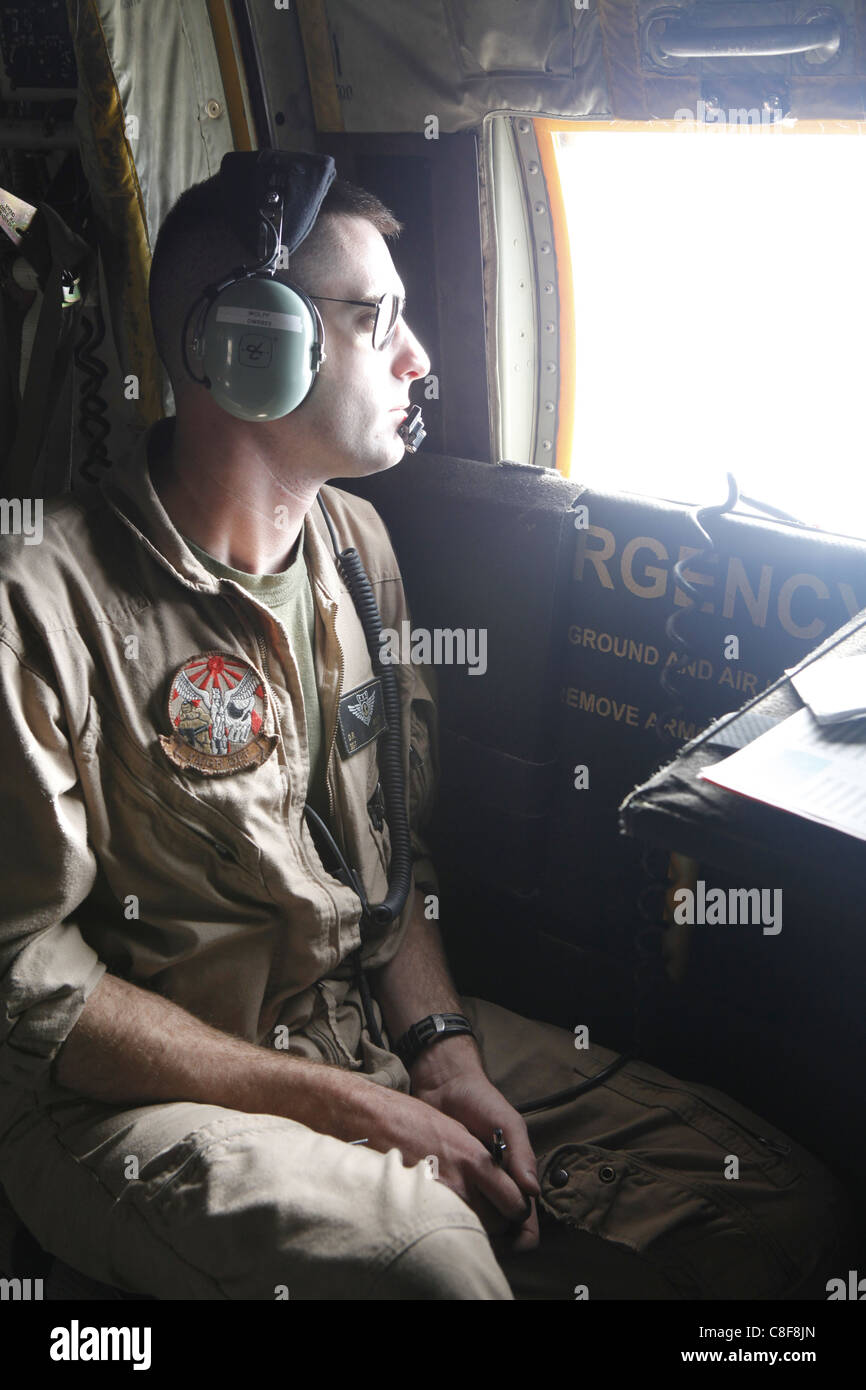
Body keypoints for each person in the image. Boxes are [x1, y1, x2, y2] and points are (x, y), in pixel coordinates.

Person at [0, 164, 852, 1301]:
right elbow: (27, 981)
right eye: (374, 320)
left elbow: (394, 867)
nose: (415, 360)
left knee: (778, 1206)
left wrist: (441, 1055)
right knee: (433, 1273)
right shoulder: (37, 601)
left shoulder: (357, 550)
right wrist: (358, 1109)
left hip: (357, 1030)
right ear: (254, 346)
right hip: (124, 1100)